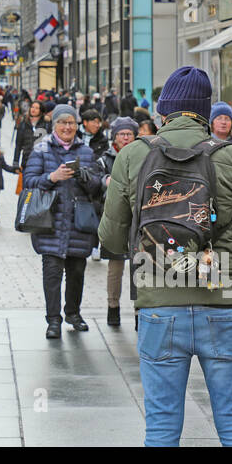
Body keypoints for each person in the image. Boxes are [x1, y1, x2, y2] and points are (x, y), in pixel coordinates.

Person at [100, 67, 232, 446]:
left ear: (164, 112)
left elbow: (112, 239)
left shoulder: (132, 155)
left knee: (162, 427)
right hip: (222, 294)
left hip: (158, 294)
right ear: (206, 112)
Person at [25, 104, 99, 339]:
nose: (68, 127)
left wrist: (85, 177)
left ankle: (73, 313)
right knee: (52, 275)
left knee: (77, 273)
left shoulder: (85, 151)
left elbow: (97, 187)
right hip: (50, 223)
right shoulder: (41, 149)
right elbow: (29, 182)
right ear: (54, 124)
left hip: (79, 223)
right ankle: (53, 320)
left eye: (71, 123)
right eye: (63, 122)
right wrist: (52, 177)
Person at [94, 117, 139, 324]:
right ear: (115, 137)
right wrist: (105, 181)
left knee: (140, 264)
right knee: (116, 267)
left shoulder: (143, 156)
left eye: (129, 133)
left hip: (139, 218)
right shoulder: (105, 159)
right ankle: (113, 307)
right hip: (114, 218)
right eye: (122, 134)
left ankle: (141, 310)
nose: (126, 137)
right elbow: (96, 180)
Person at [14, 100, 45, 173]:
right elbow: (18, 145)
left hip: (41, 162)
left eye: (37, 108)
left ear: (41, 111)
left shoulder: (45, 124)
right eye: (32, 107)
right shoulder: (23, 124)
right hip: (27, 160)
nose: (33, 109)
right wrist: (15, 163)